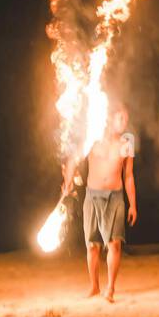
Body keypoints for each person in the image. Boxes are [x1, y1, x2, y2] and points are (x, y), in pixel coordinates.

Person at [63, 102, 137, 302]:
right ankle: (94, 286)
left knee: (114, 245)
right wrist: (67, 183)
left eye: (126, 119)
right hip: (92, 196)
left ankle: (110, 288)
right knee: (92, 246)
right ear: (109, 118)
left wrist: (133, 205)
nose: (124, 122)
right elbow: (72, 160)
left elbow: (129, 175)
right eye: (121, 118)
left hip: (115, 197)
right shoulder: (92, 139)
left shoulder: (127, 142)